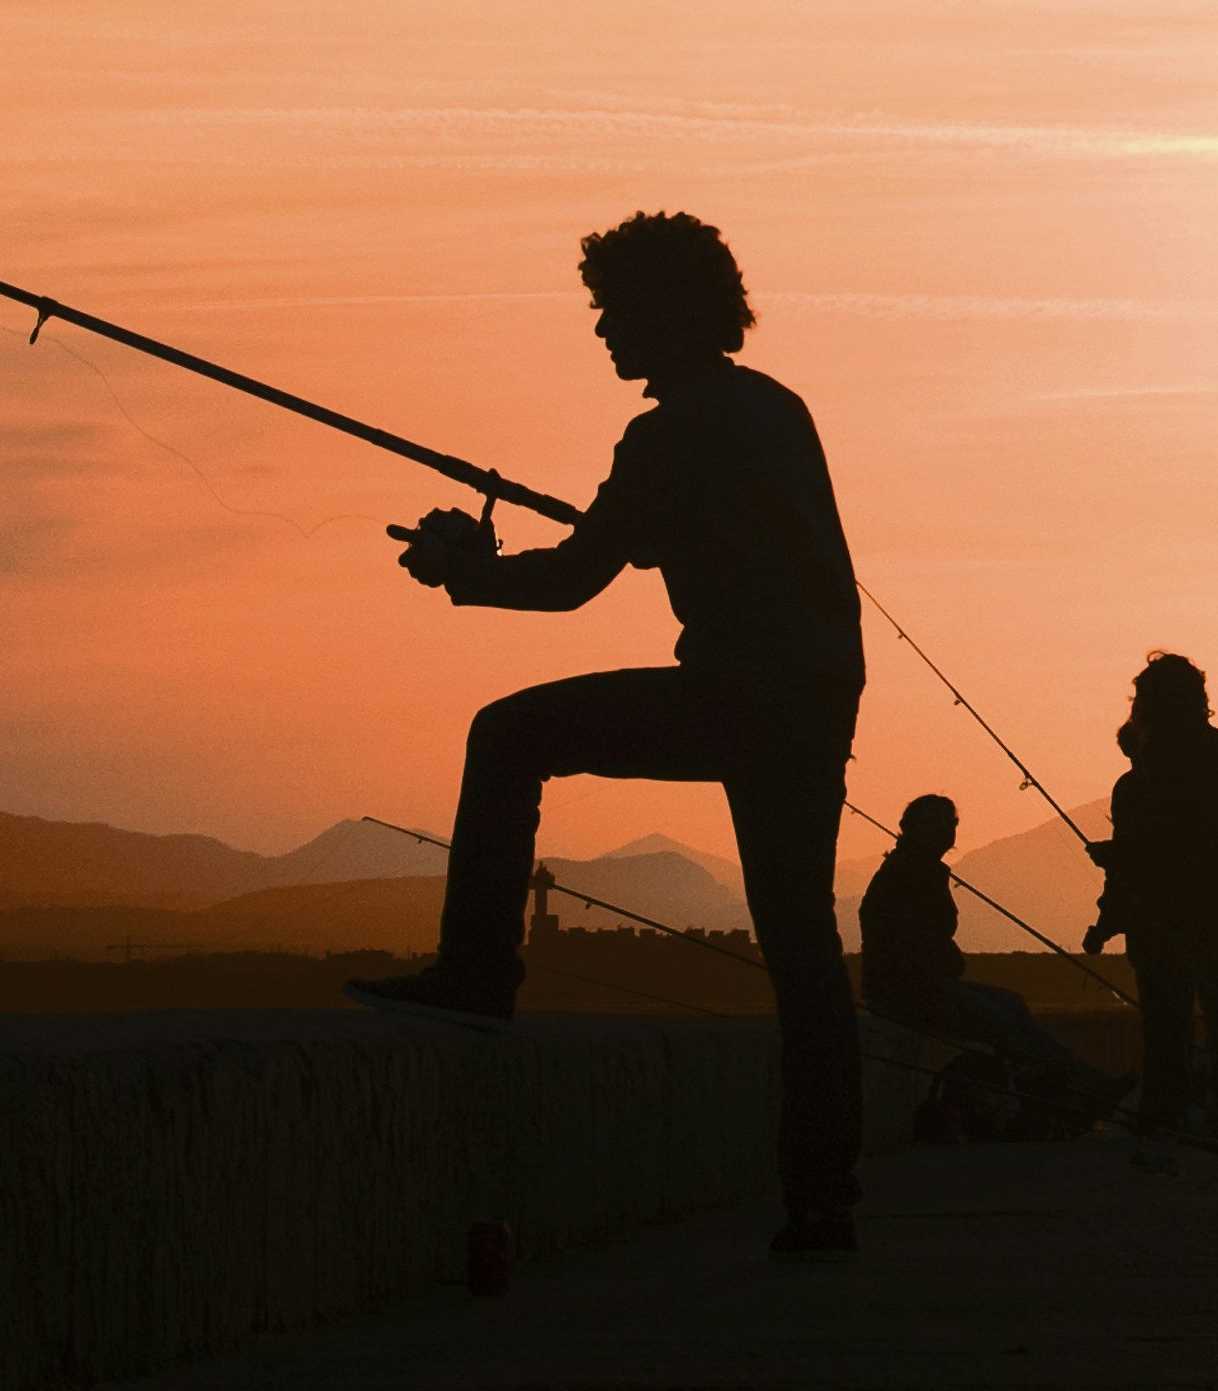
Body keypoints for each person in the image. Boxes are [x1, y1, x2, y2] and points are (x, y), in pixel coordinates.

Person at [357, 212, 870, 1257]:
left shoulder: (670, 429)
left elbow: (576, 579)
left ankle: (477, 979)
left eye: (611, 310)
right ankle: (822, 1202)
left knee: (506, 734)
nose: (599, 330)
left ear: (664, 312)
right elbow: (680, 537)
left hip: (737, 692)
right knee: (802, 942)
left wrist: (462, 572)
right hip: (819, 696)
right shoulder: (775, 408)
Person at [1084, 652, 1218, 1136]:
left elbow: (1138, 858)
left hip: (1160, 920)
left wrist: (1117, 877)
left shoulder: (1137, 782)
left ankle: (1164, 1118)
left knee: (1165, 1029)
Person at [854, 792, 1111, 1131]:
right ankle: (1065, 1085)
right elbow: (909, 943)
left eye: (950, 822)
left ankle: (1074, 1079)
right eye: (933, 822)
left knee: (1011, 1004)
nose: (944, 830)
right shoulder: (905, 874)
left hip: (929, 983)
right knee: (1000, 1017)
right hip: (910, 990)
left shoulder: (922, 871)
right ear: (909, 828)